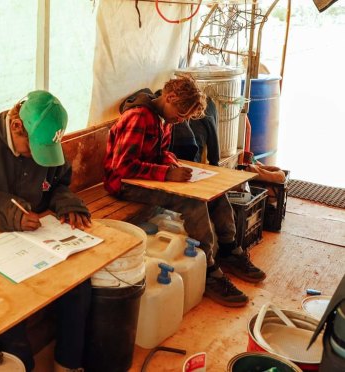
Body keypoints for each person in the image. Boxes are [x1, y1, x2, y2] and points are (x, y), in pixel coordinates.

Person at [0, 90, 92, 372]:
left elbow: (57, 184)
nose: (38, 157)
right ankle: (24, 365)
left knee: (79, 284)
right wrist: (8, 213)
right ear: (16, 125)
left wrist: (67, 203)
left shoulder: (44, 146)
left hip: (31, 235)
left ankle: (67, 365)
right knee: (12, 290)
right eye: (33, 147)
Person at [103, 76, 266, 308]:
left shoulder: (164, 120)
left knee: (216, 192)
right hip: (124, 184)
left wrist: (171, 162)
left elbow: (160, 153)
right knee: (193, 203)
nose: (180, 121)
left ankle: (229, 249)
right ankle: (209, 270)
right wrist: (167, 174)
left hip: (149, 179)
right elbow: (122, 168)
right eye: (180, 116)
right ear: (169, 98)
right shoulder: (138, 117)